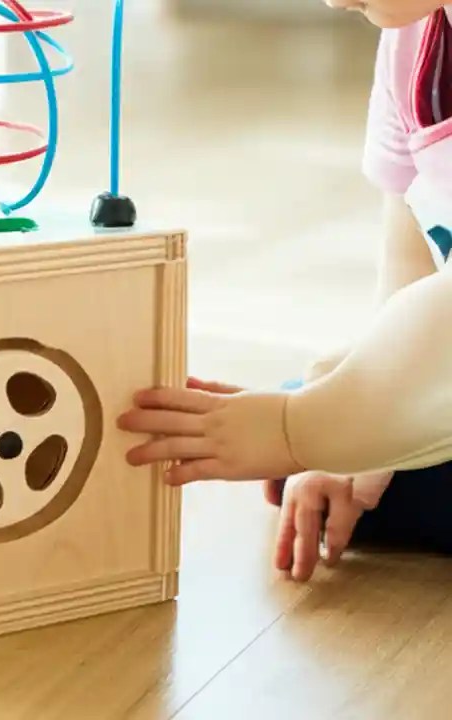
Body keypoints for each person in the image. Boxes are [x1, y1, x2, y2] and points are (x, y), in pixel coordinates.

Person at [118, 0, 452, 582]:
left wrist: (301, 428)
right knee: (314, 474)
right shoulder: (413, 42)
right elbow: (412, 264)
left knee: (303, 430)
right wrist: (347, 437)